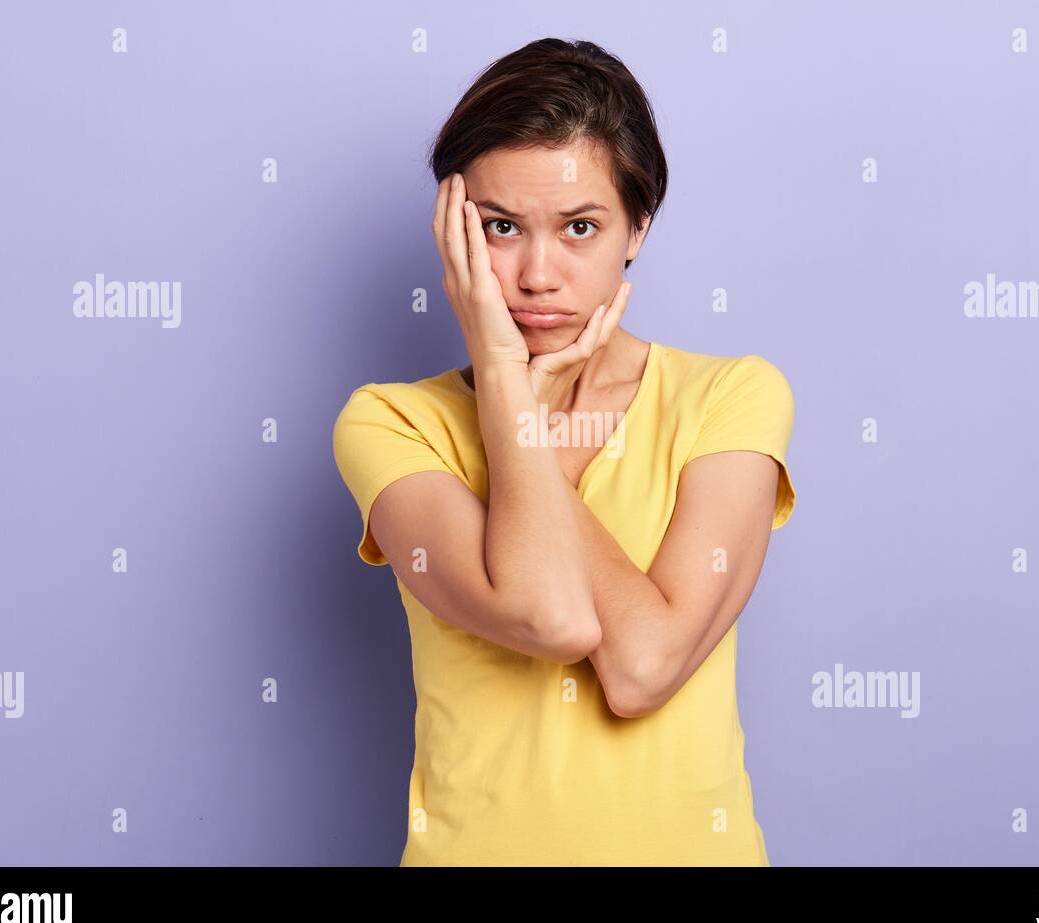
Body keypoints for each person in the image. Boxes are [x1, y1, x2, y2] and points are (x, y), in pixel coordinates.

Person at [333, 38, 797, 866]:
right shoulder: (393, 424)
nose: (536, 275)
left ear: (637, 229)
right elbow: (550, 618)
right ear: (452, 234)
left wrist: (523, 428)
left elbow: (643, 669)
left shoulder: (730, 398)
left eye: (580, 227)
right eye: (500, 228)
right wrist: (511, 390)